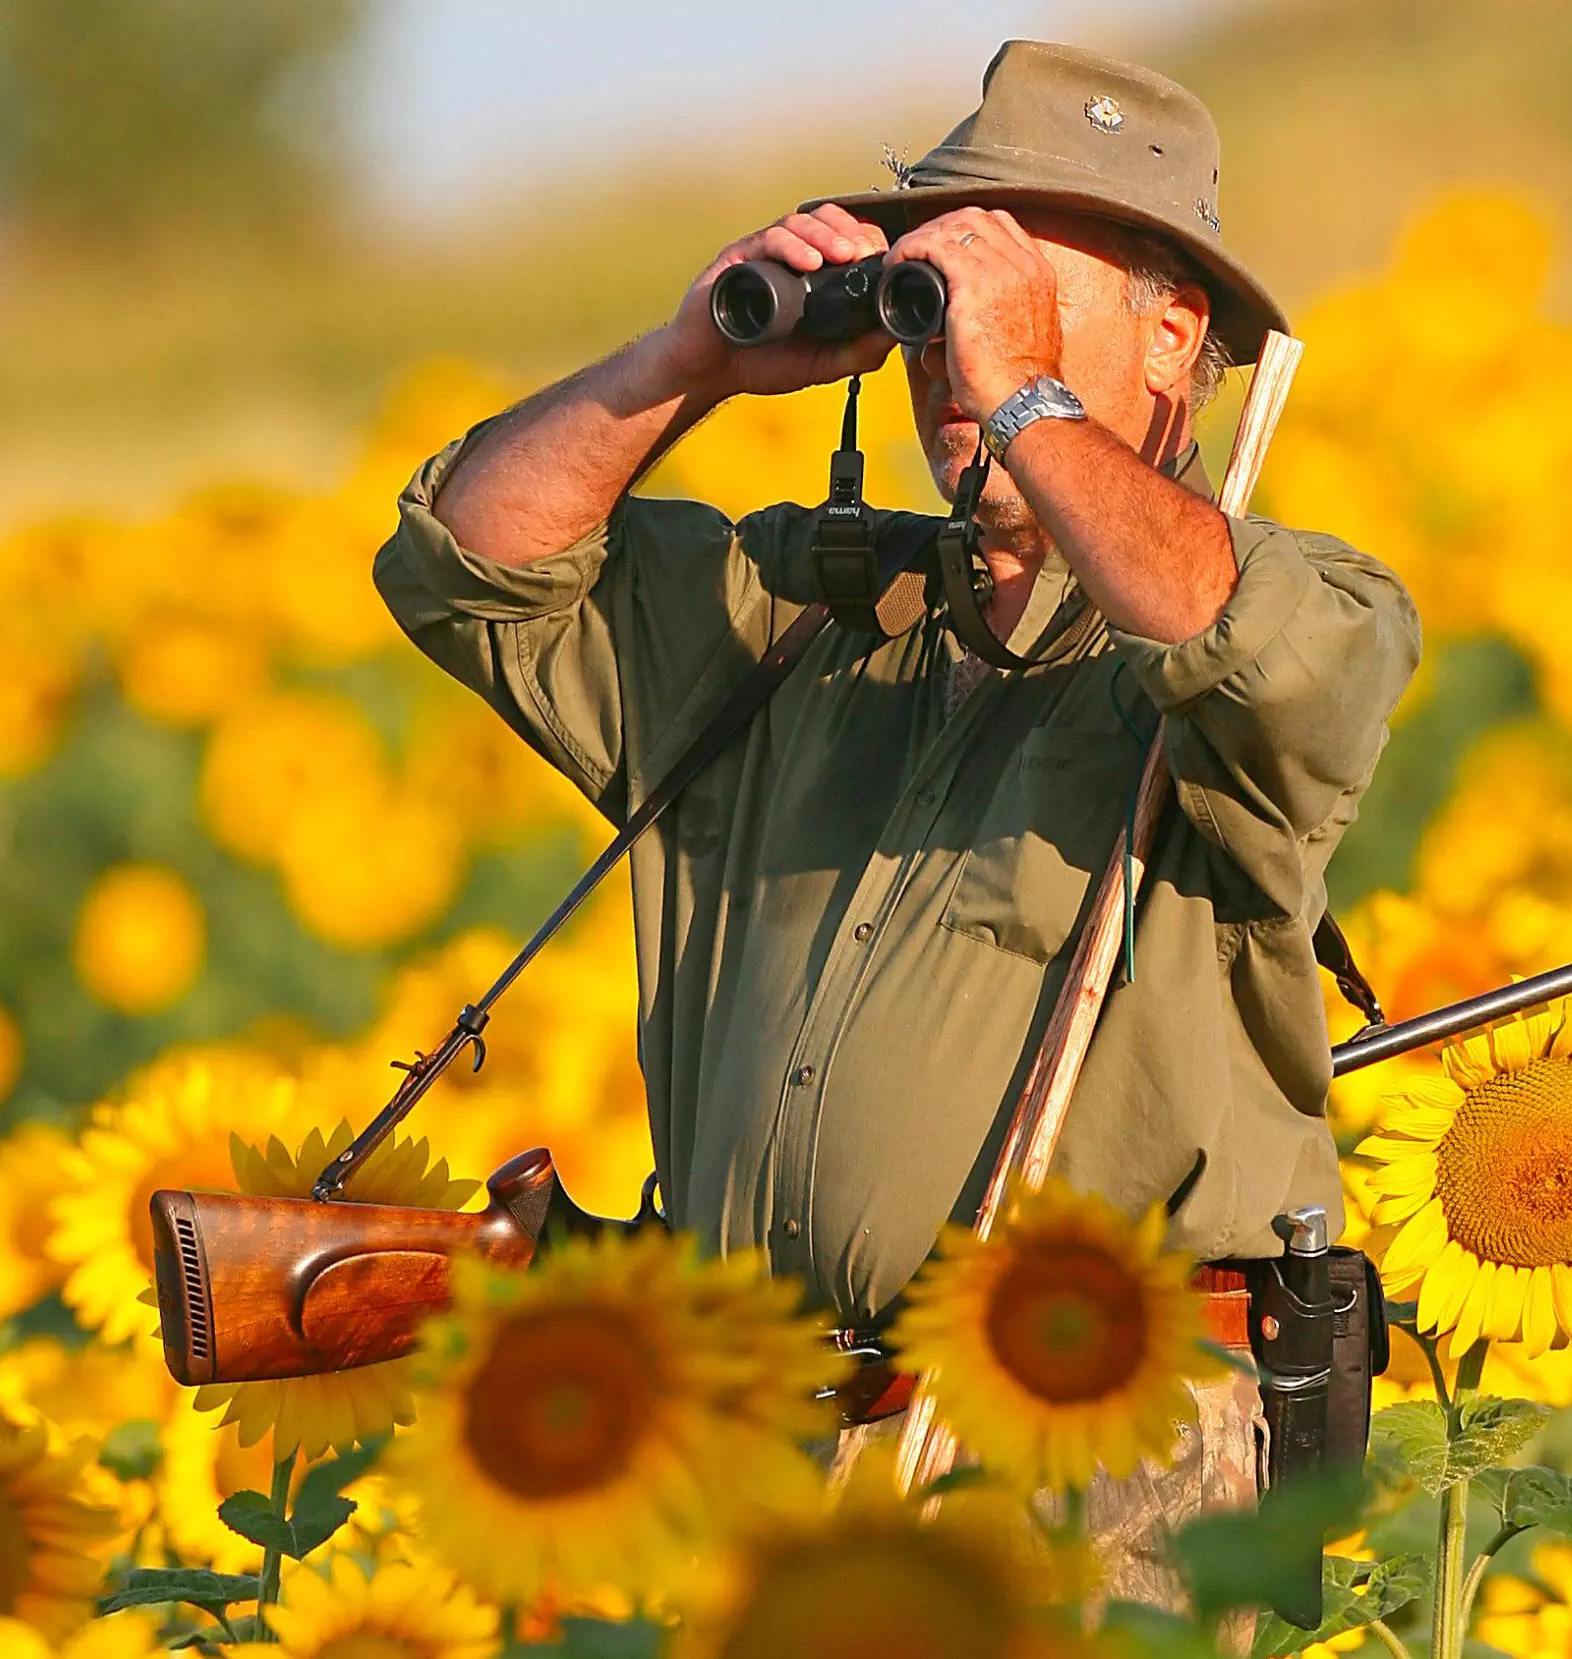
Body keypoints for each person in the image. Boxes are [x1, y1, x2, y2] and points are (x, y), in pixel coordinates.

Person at [371, 39, 1421, 1596]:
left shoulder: (1284, 619)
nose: (951, 349)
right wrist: (691, 363)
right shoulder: (799, 618)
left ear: (1170, 334)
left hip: (1092, 1470)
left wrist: (1027, 401)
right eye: (928, 299)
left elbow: (1252, 650)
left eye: (1005, 286)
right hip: (755, 1466)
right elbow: (466, 562)